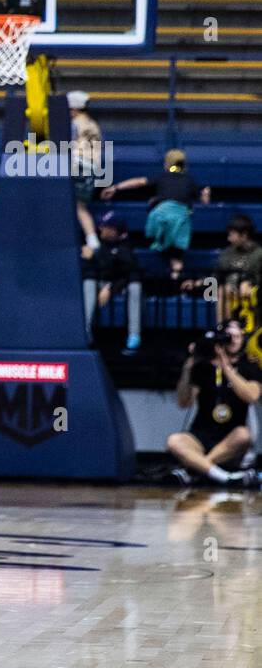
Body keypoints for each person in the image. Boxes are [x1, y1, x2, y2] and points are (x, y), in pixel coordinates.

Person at [166, 319, 260, 488]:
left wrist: (227, 368)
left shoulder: (249, 366)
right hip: (202, 433)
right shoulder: (203, 368)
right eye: (228, 337)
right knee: (174, 441)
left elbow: (251, 395)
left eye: (236, 336)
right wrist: (188, 369)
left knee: (244, 435)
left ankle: (193, 471)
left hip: (230, 437)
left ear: (243, 338)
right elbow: (184, 402)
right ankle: (224, 477)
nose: (232, 341)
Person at [100, 148, 209, 282]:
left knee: (164, 235)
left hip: (161, 216)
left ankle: (160, 244)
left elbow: (139, 182)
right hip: (179, 219)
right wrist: (205, 195)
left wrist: (115, 187)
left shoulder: (162, 176)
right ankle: (175, 275)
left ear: (167, 164)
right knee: (176, 256)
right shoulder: (190, 180)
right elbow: (204, 201)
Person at [82, 211, 142, 354]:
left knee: (135, 286)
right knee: (89, 282)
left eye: (106, 226)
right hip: (99, 284)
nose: (101, 228)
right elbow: (90, 271)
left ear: (115, 230)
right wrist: (88, 258)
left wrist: (110, 289)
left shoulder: (126, 246)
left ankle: (134, 336)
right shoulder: (98, 244)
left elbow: (130, 273)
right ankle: (85, 332)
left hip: (119, 286)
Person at [68, 90, 104, 258]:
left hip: (77, 165)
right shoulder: (93, 124)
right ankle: (92, 239)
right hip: (92, 168)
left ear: (74, 109)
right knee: (80, 207)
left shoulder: (74, 124)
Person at [213, 214, 262, 325]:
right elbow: (217, 275)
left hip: (251, 293)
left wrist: (250, 282)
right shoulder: (227, 253)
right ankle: (223, 327)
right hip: (227, 291)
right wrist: (197, 283)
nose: (228, 239)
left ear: (244, 235)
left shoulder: (259, 254)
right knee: (222, 289)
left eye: (232, 235)